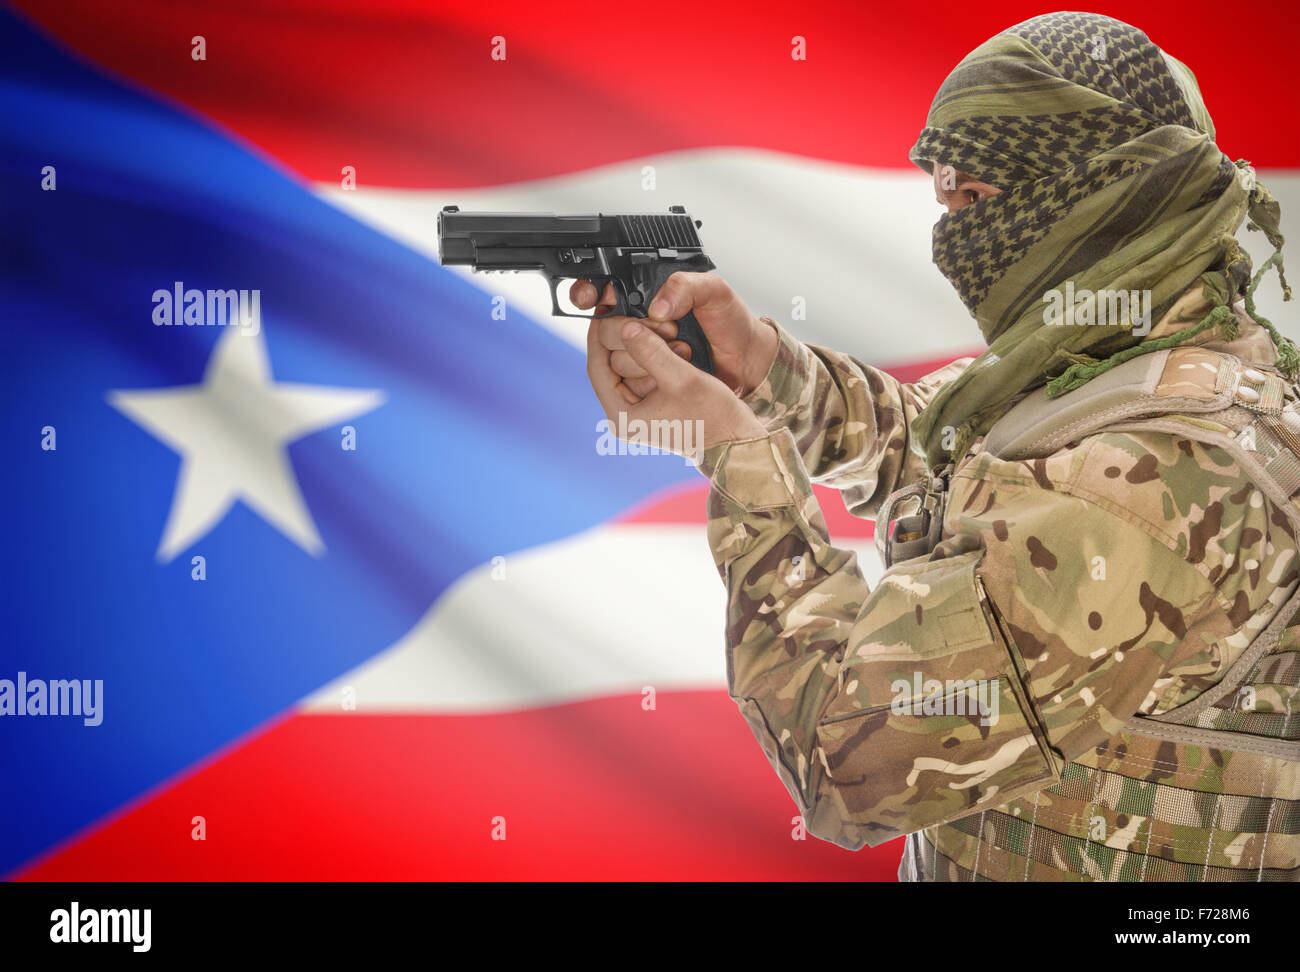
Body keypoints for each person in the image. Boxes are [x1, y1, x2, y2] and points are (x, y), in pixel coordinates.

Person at [580, 11, 1298, 881]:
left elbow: (849, 765)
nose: (949, 234)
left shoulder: (1154, 482)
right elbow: (940, 450)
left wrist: (740, 457)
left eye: (973, 198)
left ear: (1095, 191)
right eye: (942, 197)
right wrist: (762, 367)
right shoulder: (1127, 359)